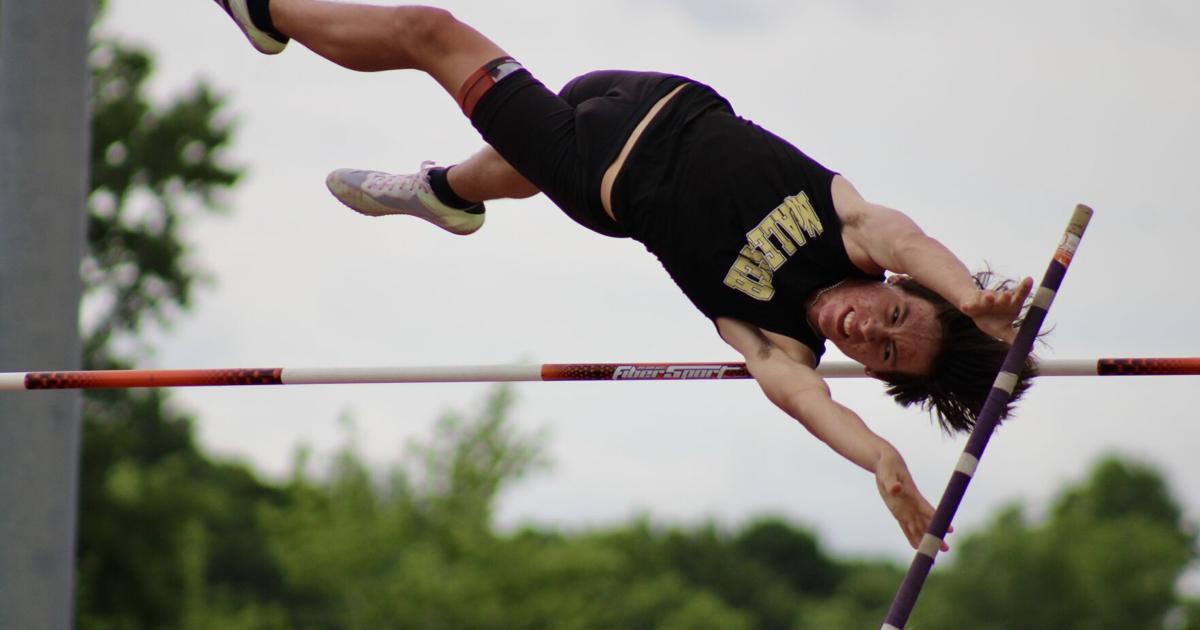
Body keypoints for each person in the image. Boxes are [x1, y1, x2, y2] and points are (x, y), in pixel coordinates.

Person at [214, 0, 1037, 551]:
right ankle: (448, 194)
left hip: (595, 169)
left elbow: (812, 408)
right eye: (894, 320)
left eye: (883, 357)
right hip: (647, 93)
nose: (868, 333)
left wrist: (882, 459)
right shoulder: (855, 229)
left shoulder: (777, 342)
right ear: (899, 285)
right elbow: (919, 238)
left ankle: (263, 10)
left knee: (432, 33)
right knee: (516, 151)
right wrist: (970, 299)